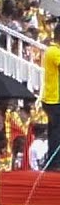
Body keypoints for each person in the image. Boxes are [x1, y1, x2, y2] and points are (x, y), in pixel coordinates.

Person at [43, 31, 60, 171]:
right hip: (54, 99)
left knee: (54, 132)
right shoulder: (54, 51)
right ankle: (54, 164)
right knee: (56, 133)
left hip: (53, 98)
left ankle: (52, 162)